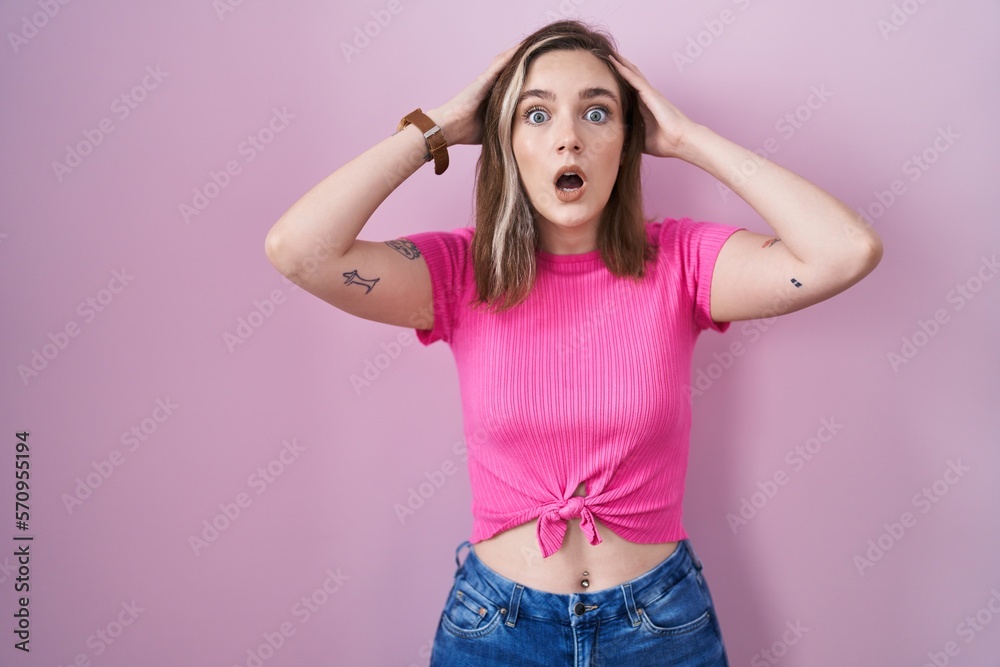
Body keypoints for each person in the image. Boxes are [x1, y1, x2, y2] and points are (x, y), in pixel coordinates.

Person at [265, 18, 882, 666]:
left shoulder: (681, 262)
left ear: (627, 139)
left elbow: (845, 250)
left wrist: (687, 138)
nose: (568, 138)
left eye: (597, 112)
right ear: (503, 141)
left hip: (659, 625)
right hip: (497, 627)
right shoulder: (460, 274)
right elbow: (298, 248)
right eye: (535, 115)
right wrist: (440, 128)